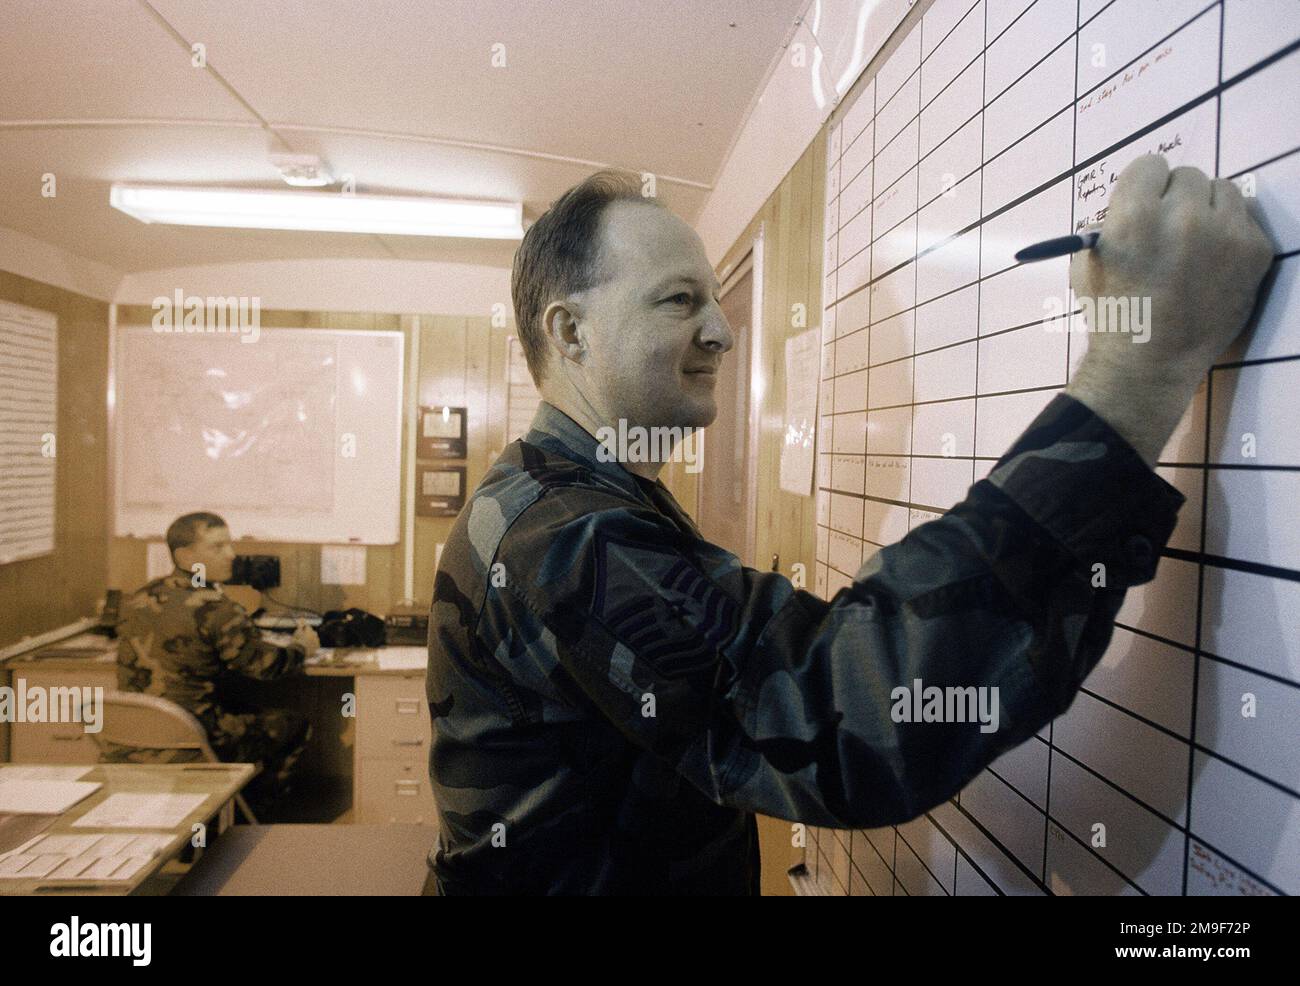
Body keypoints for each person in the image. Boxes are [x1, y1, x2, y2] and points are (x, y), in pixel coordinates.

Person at [425, 158, 1274, 894]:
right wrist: (1142, 364)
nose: (721, 331)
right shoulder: (561, 533)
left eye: (716, 299)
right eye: (681, 300)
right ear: (569, 332)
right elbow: (853, 713)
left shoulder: (573, 492)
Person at [114, 511, 320, 822]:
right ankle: (249, 824)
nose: (231, 555)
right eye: (217, 547)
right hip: (194, 741)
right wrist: (302, 648)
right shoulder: (217, 608)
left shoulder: (137, 598)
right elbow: (266, 667)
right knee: (292, 725)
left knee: (237, 705)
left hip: (134, 737)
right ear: (185, 555)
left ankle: (210, 820)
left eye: (229, 545)